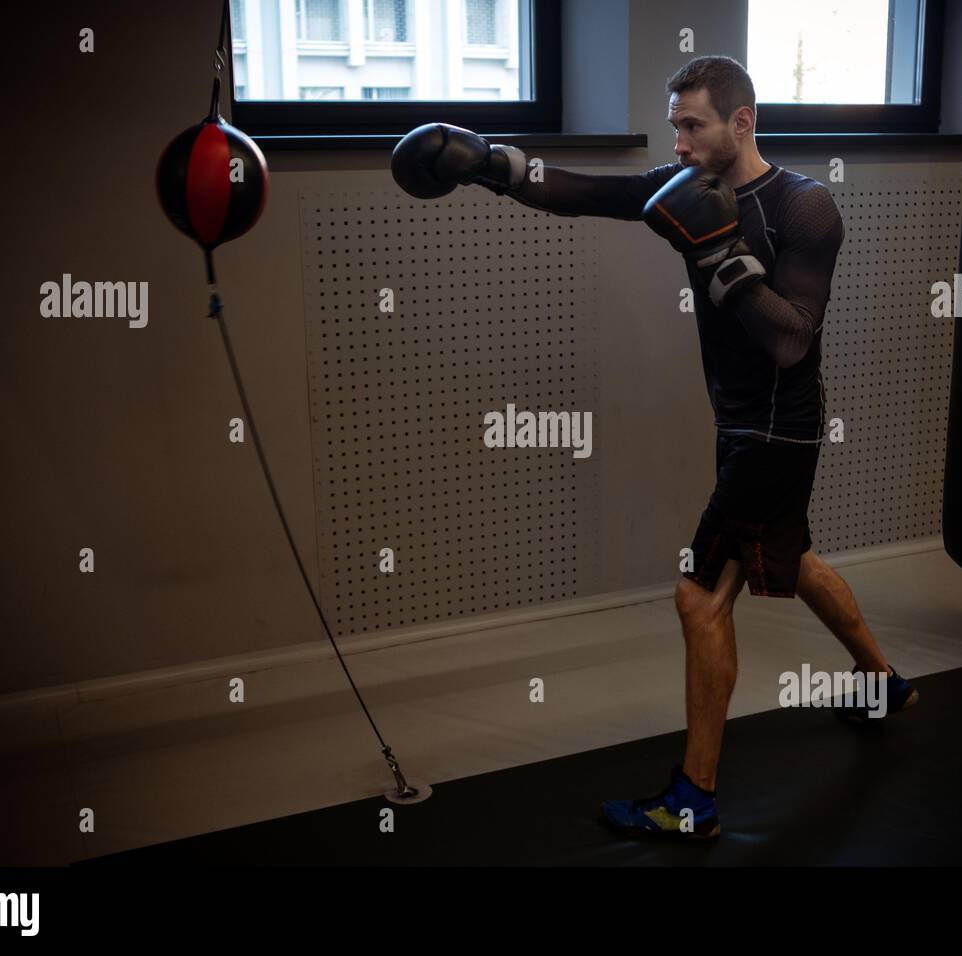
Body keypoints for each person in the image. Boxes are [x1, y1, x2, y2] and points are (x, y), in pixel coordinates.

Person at [390, 55, 918, 841]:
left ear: (741, 123)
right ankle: (883, 684)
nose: (677, 142)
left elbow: (793, 343)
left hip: (778, 431)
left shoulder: (806, 209)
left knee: (699, 594)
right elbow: (581, 195)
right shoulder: (680, 191)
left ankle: (690, 803)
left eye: (692, 125)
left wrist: (718, 258)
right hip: (744, 427)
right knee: (791, 556)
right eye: (673, 125)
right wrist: (490, 163)